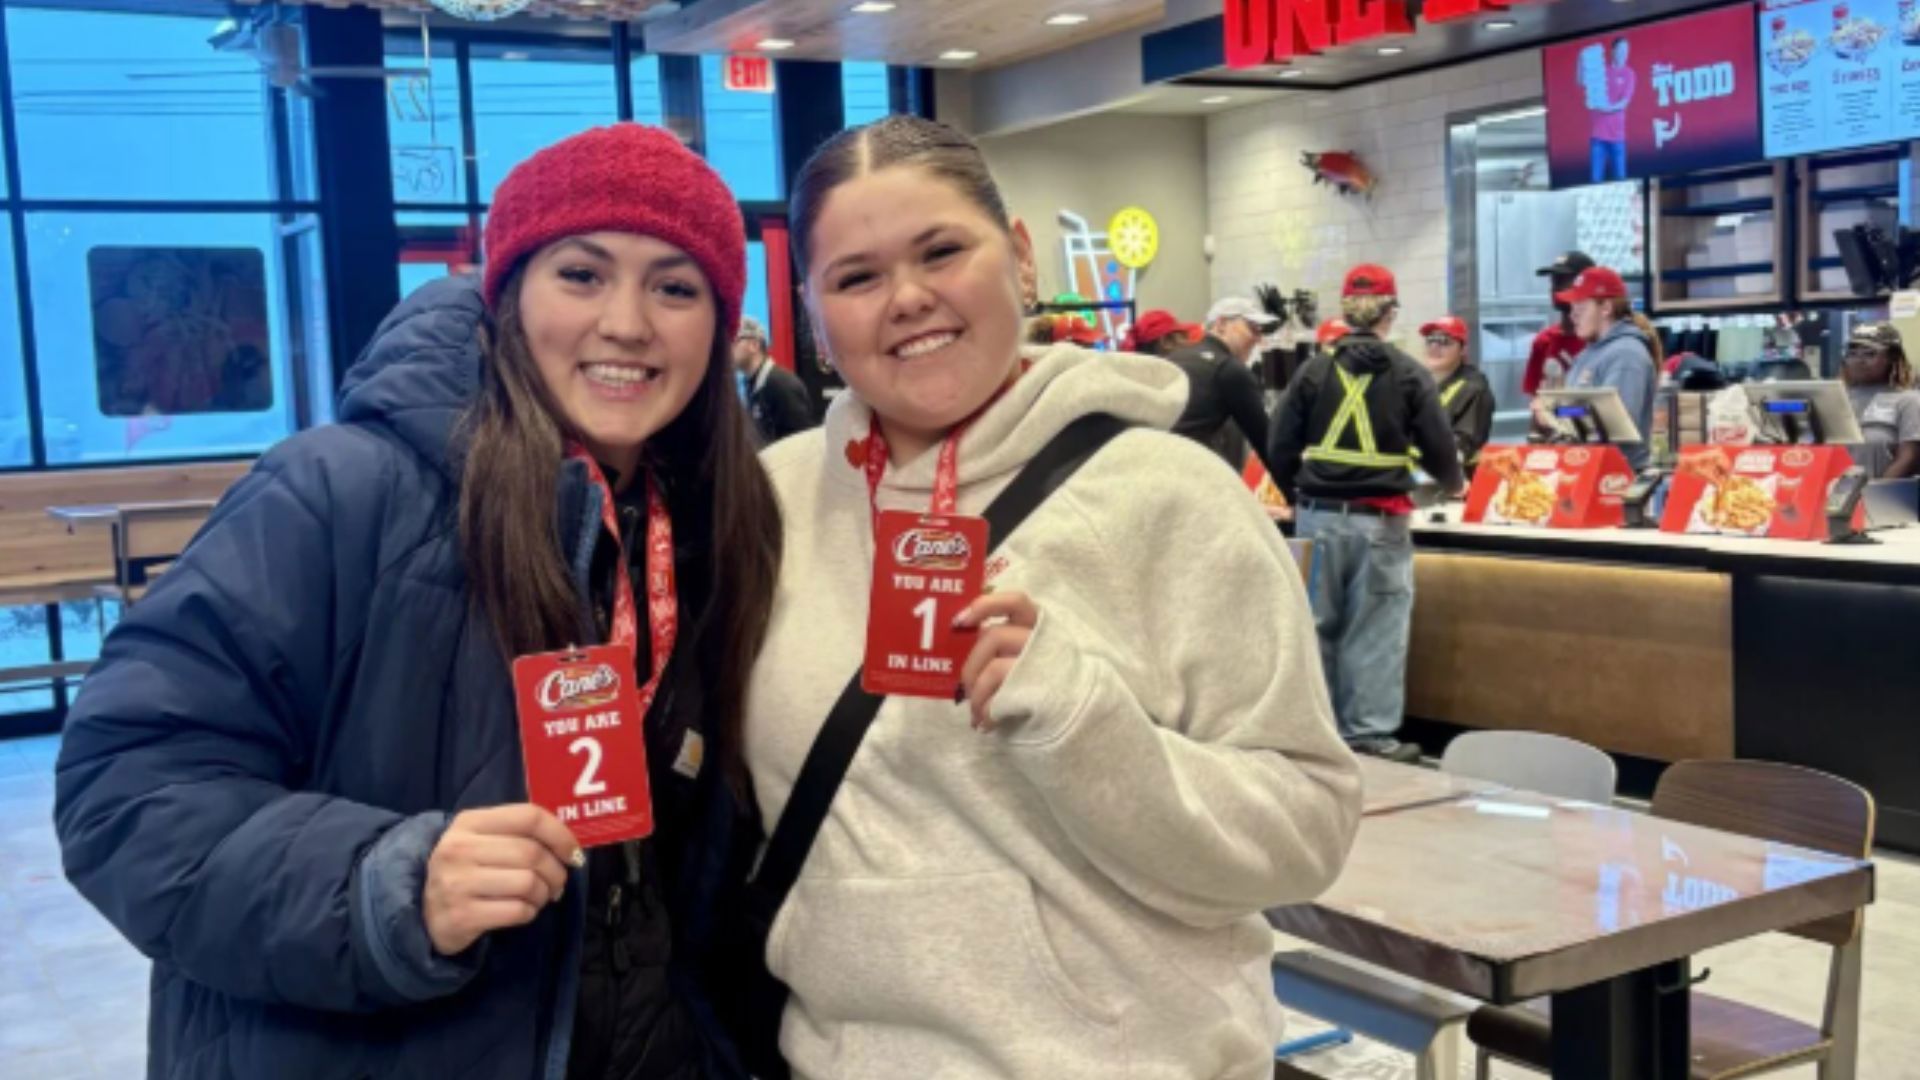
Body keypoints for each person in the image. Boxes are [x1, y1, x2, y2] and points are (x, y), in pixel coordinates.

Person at [53, 124, 783, 1080]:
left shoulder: (709, 530)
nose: (629, 323)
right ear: (510, 292)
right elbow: (124, 791)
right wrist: (384, 886)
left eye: (675, 287)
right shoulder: (340, 493)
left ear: (720, 322)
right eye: (581, 274)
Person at [752, 115, 1360, 1080]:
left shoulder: (1171, 495)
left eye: (942, 250)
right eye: (856, 277)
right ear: (815, 315)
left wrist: (1083, 724)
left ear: (1022, 258)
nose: (906, 298)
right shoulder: (775, 501)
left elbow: (1306, 831)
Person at [1269, 264, 1463, 762]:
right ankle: (1369, 737)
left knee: (1317, 624)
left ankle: (1319, 732)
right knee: (1375, 627)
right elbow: (1442, 451)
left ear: (1345, 311)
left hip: (1316, 517)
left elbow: (1279, 441)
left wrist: (1296, 487)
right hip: (1381, 524)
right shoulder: (1408, 373)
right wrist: (1451, 486)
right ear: (1390, 313)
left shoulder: (1313, 370)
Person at [1164, 296, 1286, 475]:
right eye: (1252, 328)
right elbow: (1267, 444)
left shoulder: (1176, 357)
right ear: (1221, 324)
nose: (1258, 339)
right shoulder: (1228, 369)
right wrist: (1298, 495)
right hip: (1187, 475)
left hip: (1154, 468)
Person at [1550, 265, 1657, 470]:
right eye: (1572, 308)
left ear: (1606, 308)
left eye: (1580, 307)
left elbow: (1615, 422)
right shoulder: (1587, 355)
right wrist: (1555, 412)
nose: (1573, 315)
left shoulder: (1626, 355)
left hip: (1616, 479)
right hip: (1587, 470)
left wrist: (1558, 411)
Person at [1418, 315, 1496, 473]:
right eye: (1430, 340)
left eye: (1444, 341)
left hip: (1455, 486)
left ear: (1463, 349)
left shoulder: (1473, 388)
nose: (1434, 346)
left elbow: (1461, 445)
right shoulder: (1427, 384)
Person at [1842, 322, 1920, 479]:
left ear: (1892, 358)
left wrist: (1876, 491)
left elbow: (1909, 457)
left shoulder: (1908, 401)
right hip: (1829, 495)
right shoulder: (1839, 398)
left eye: (1869, 354)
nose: (1859, 360)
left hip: (1883, 497)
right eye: (1853, 354)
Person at [734, 313, 817, 445]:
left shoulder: (781, 384)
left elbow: (803, 442)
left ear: (754, 345)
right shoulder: (751, 385)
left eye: (733, 341)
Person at [1525, 251, 1592, 396]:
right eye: (1554, 281)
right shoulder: (1543, 341)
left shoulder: (1597, 340)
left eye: (1563, 280)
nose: (1555, 288)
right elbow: (1536, 401)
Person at [1589, 37, 1634, 183]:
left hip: (1617, 137)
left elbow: (1623, 103)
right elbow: (1594, 99)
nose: (1623, 54)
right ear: (1612, 51)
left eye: (1626, 51)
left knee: (1621, 181)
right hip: (1599, 136)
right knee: (1595, 182)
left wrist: (1607, 108)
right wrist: (1603, 106)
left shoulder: (1629, 74)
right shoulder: (1601, 72)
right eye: (1620, 50)